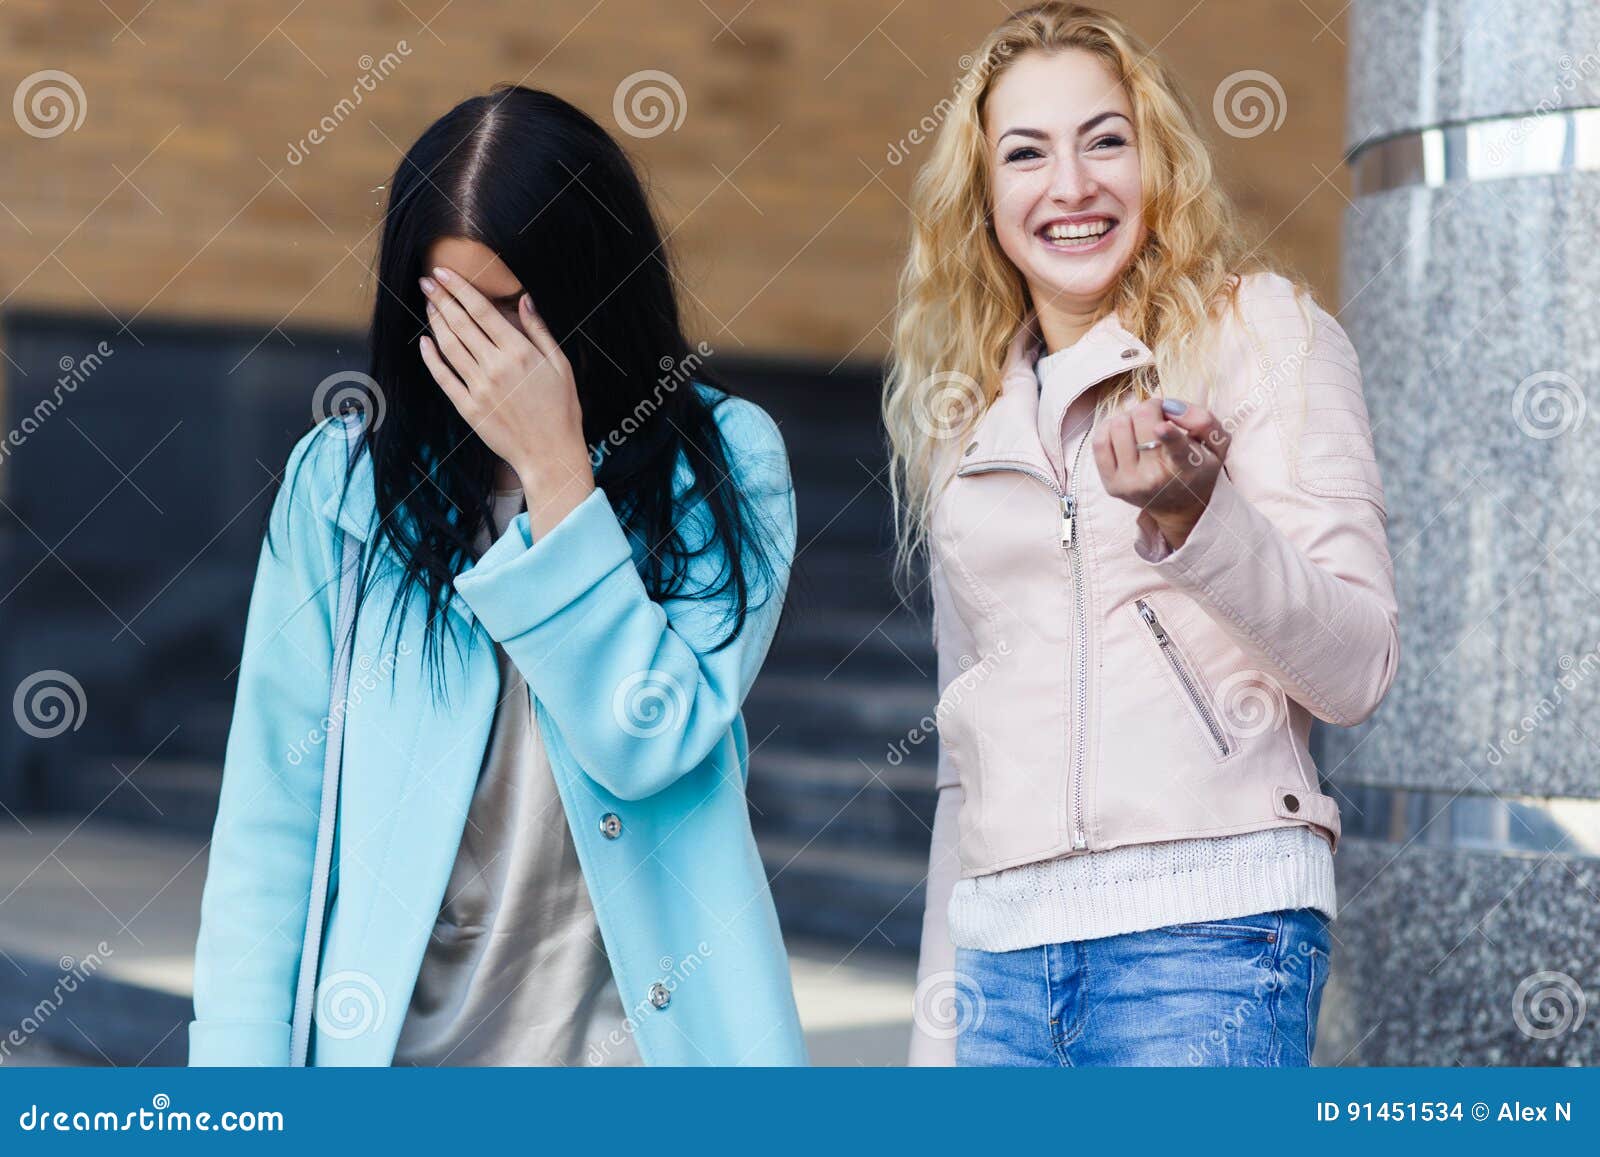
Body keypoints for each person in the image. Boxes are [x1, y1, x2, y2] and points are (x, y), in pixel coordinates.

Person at [188, 85, 806, 1067]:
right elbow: (271, 820)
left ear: (594, 287)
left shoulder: (726, 464)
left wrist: (558, 474)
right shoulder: (341, 486)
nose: (492, 355)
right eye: (455, 314)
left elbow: (651, 740)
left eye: (519, 312)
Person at [885, 3, 1399, 1066]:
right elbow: (963, 758)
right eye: (1024, 153)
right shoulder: (961, 414)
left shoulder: (1262, 334)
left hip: (1208, 937)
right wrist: (936, 1036)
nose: (1069, 186)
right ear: (983, 197)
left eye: (1104, 139)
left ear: (1157, 160)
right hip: (999, 965)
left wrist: (1199, 518)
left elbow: (1356, 665)